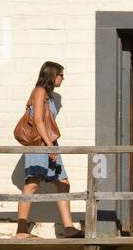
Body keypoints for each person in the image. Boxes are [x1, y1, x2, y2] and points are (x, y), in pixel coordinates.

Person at [15, 61, 84, 239]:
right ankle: (21, 231)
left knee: (63, 183)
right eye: (61, 75)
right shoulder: (39, 91)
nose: (63, 79)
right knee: (32, 185)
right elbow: (38, 120)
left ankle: (68, 227)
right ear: (53, 75)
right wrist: (50, 145)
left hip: (50, 143)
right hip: (40, 145)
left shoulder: (49, 95)